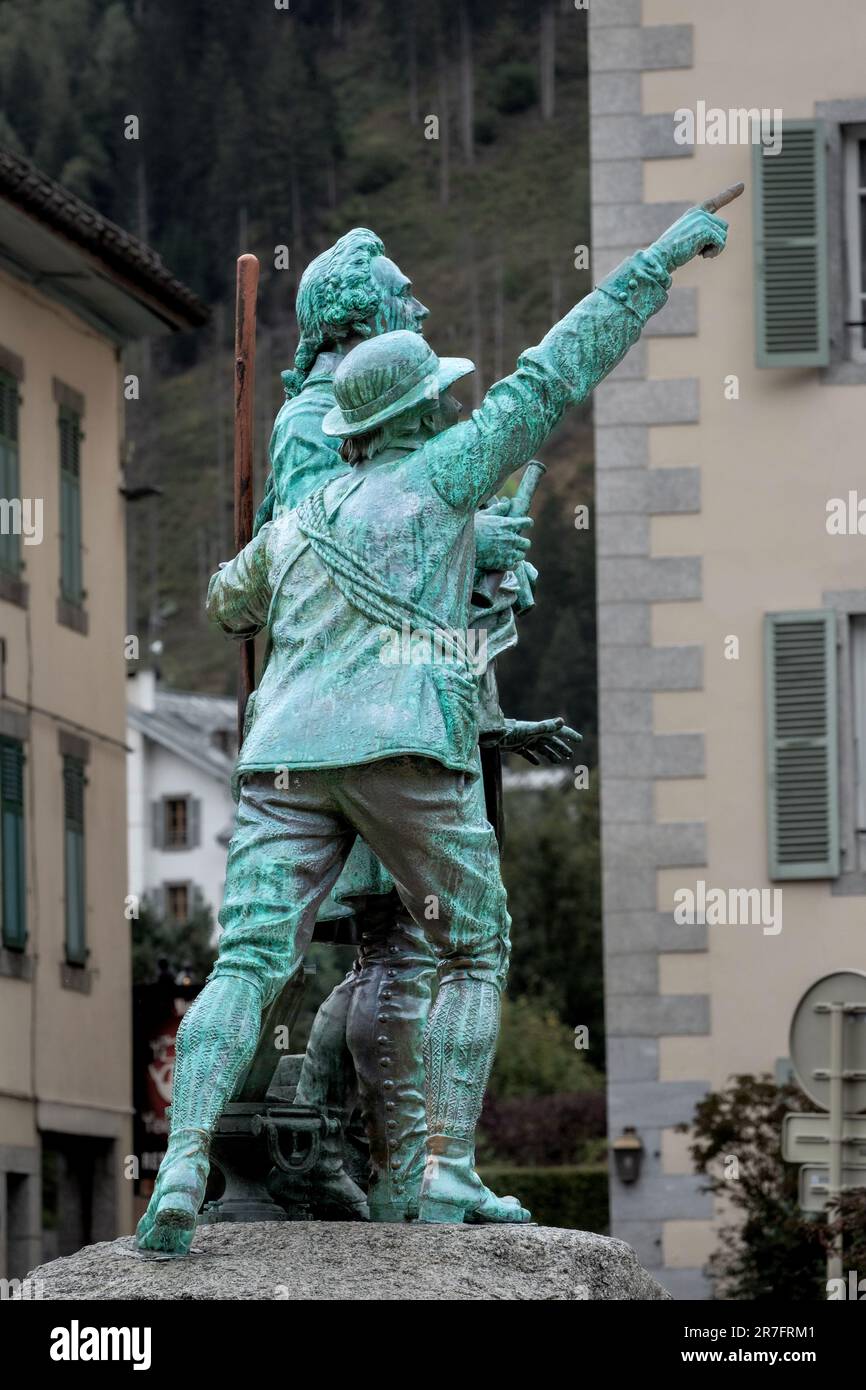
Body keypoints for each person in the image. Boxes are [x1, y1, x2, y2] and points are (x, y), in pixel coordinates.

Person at [136, 202, 728, 1254]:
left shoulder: (298, 519)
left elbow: (230, 600)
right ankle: (446, 1168)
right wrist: (656, 262)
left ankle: (179, 1161)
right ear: (417, 408)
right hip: (403, 743)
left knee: (246, 962)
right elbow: (553, 370)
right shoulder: (444, 473)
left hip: (280, 755)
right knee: (474, 942)